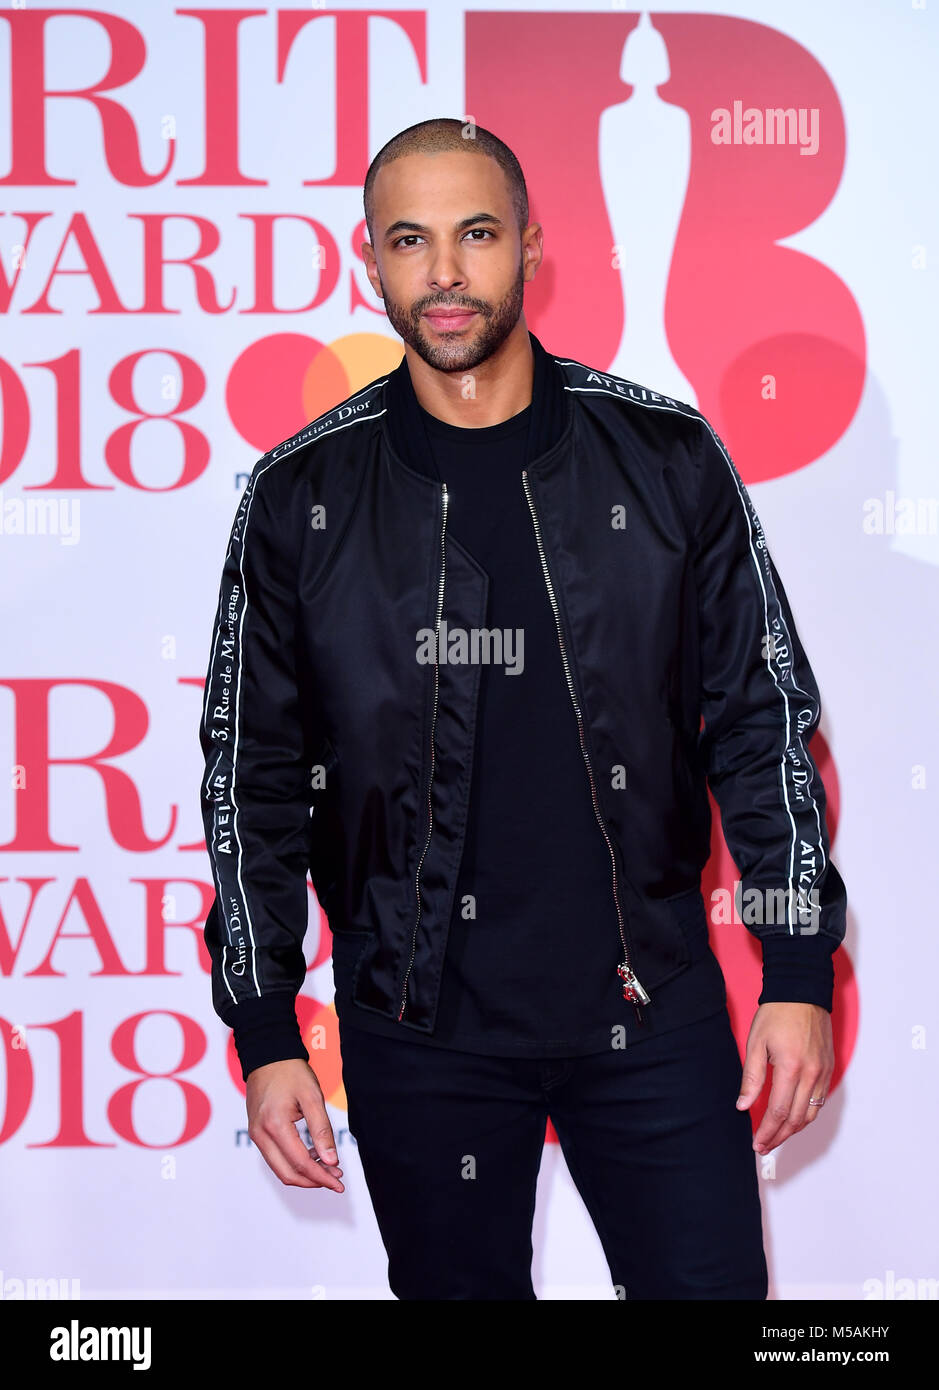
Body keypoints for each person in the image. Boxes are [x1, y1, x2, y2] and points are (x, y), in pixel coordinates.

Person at [199, 117, 847, 1300]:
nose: (445, 273)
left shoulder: (665, 458)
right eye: (411, 240)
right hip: (418, 1030)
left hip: (652, 1011)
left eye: (478, 234)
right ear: (370, 261)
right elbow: (252, 779)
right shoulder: (302, 496)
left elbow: (764, 724)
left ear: (531, 249)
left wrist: (798, 969)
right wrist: (266, 1029)